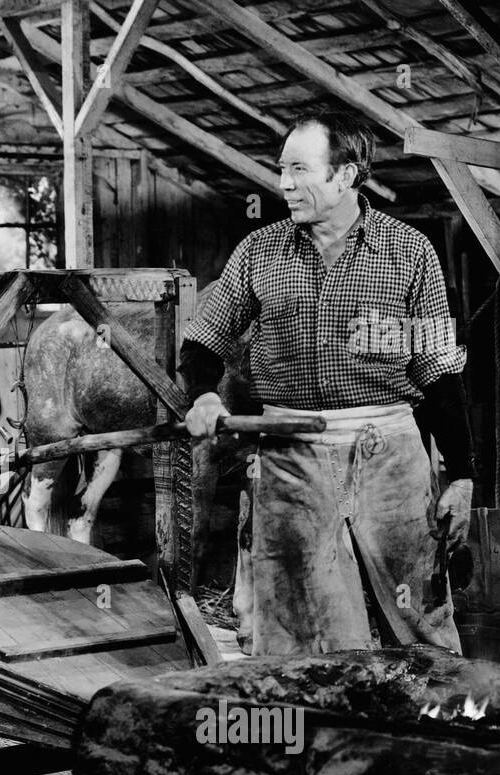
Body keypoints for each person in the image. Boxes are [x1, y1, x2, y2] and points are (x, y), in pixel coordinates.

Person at [180, 108, 475, 656]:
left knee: (420, 618)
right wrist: (201, 393)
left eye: (299, 169)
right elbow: (202, 342)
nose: (284, 183)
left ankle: (438, 725)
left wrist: (461, 475)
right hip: (289, 454)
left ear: (346, 174)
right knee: (296, 621)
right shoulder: (258, 252)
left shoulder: (409, 252)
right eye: (281, 169)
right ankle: (312, 732)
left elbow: (440, 372)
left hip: (388, 454)